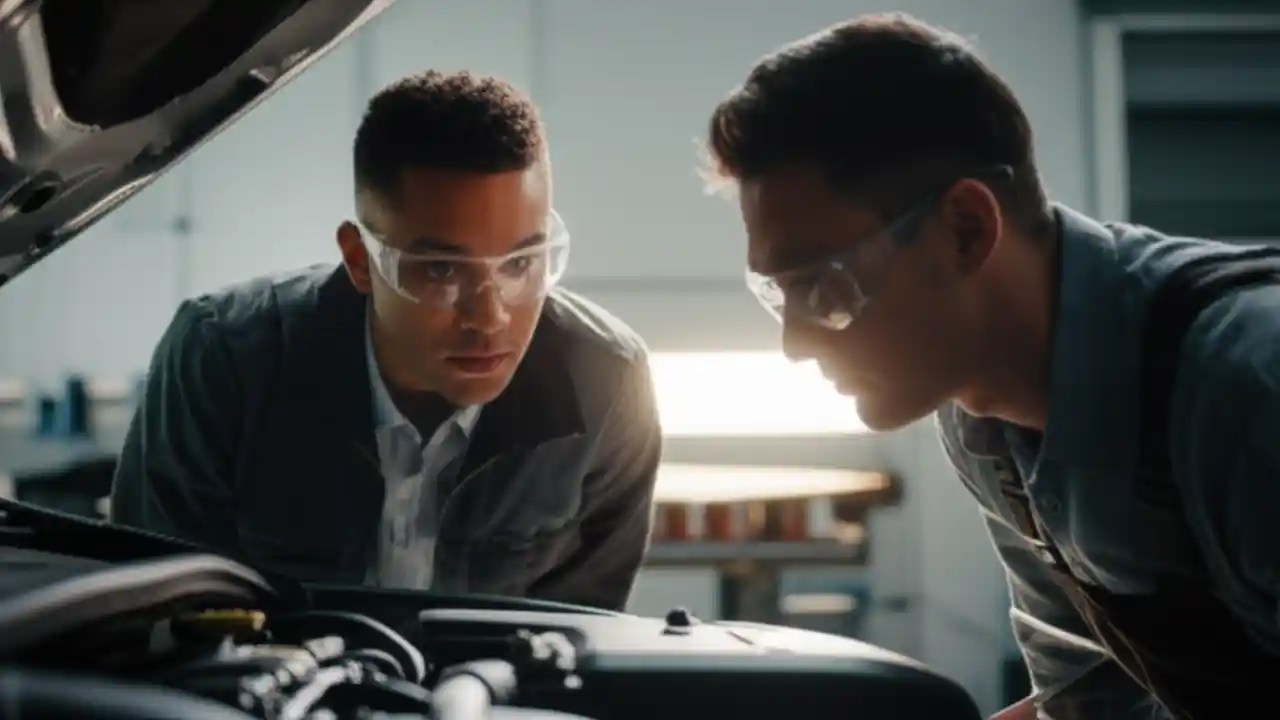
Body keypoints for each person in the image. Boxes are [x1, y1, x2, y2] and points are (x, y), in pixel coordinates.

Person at [701, 12, 1279, 720]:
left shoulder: (1244, 390)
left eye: (822, 285)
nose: (796, 342)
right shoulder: (984, 421)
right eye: (776, 293)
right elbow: (1093, 706)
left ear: (966, 230)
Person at [110, 70, 663, 612]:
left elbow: (579, 640)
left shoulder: (606, 383)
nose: (491, 317)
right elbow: (155, 616)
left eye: (522, 263)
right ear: (359, 260)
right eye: (442, 270)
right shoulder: (223, 361)